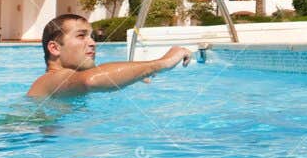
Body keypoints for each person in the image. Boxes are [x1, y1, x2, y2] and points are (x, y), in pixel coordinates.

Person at [25, 13, 193, 99]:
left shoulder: (64, 83)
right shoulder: (51, 79)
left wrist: (134, 74)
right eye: (81, 36)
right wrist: (161, 63)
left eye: (92, 36)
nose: (92, 42)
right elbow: (90, 80)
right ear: (55, 48)